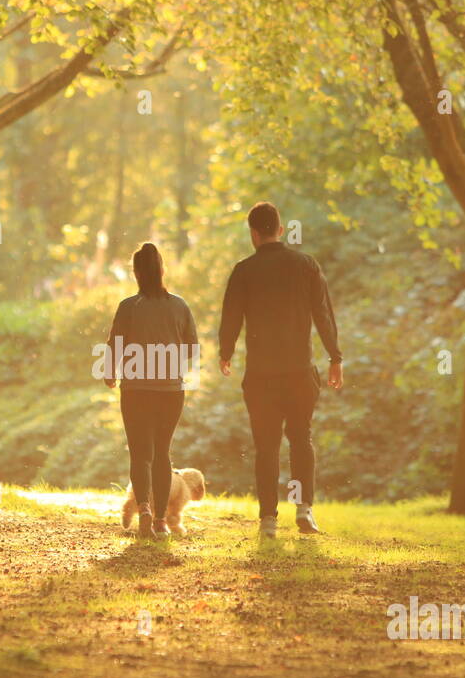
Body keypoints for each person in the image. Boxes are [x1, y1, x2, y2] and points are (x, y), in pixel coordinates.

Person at [218, 202, 343, 538]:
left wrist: (225, 352)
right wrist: (335, 357)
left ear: (254, 234)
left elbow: (231, 315)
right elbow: (324, 314)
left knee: (267, 446)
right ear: (281, 229)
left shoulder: (244, 270)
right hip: (300, 371)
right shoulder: (306, 266)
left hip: (261, 375)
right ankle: (304, 509)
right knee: (301, 438)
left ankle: (268, 520)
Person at [104, 243, 199, 539]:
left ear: (136, 272)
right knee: (161, 453)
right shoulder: (179, 306)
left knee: (140, 453)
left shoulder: (128, 306)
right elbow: (192, 348)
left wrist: (110, 372)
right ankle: (160, 521)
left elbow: (114, 344)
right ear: (162, 270)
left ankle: (143, 507)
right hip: (170, 390)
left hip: (135, 390)